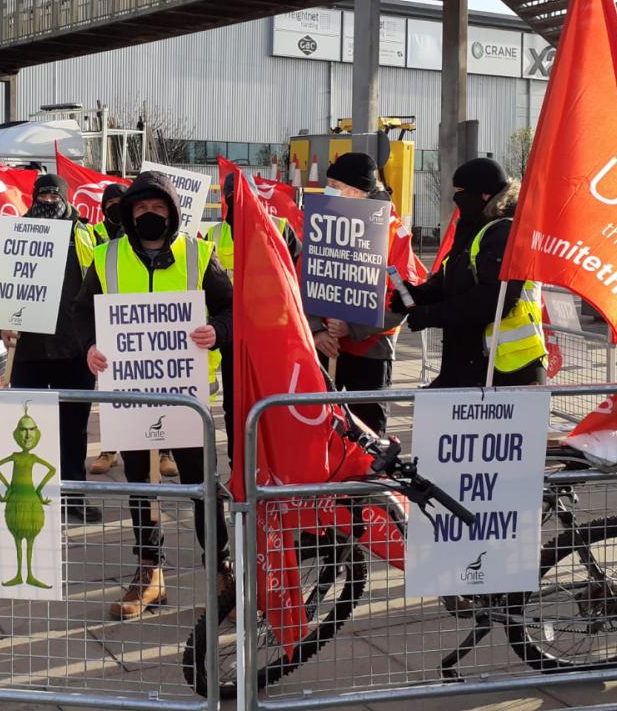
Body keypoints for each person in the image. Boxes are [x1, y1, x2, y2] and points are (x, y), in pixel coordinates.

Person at [74, 170, 233, 619]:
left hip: (186, 394)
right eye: (141, 208)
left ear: (172, 213)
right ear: (128, 213)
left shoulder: (198, 254)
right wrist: (90, 347)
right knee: (141, 487)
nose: (149, 215)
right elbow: (81, 313)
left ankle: (221, 570)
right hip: (131, 392)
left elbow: (231, 306)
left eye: (157, 208)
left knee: (201, 482)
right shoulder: (106, 257)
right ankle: (149, 574)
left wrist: (216, 330)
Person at [3, 174, 102, 524]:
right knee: (28, 429)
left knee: (74, 429)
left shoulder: (88, 234)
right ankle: (31, 493)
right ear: (33, 198)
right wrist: (2, 322)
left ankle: (74, 493)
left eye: (53, 194)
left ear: (66, 197)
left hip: (75, 351)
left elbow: (105, 281)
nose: (47, 200)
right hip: (28, 350)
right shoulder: (15, 233)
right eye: (41, 194)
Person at [397, 157, 546, 388]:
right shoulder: (473, 228)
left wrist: (432, 314)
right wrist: (417, 295)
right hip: (469, 363)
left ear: (484, 194)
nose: (456, 199)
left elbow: (492, 300)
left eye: (460, 192)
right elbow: (450, 280)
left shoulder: (506, 232)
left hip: (508, 369)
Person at [318, 153, 417, 435]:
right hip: (326, 347)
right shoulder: (323, 223)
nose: (329, 191)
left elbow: (404, 301)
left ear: (355, 191)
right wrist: (316, 330)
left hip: (371, 352)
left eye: (334, 184)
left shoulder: (394, 234)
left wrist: (353, 326)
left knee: (369, 432)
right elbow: (305, 280)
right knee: (323, 431)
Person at [203, 170, 300, 456]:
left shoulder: (281, 229)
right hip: (233, 339)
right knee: (235, 409)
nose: (238, 205)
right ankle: (239, 468)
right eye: (232, 199)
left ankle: (272, 467)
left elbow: (296, 285)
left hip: (272, 338)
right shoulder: (214, 234)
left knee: (272, 407)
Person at [89, 183, 128, 477]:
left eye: (120, 201)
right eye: (110, 202)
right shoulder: (93, 234)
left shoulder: (137, 232)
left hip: (134, 321)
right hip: (103, 321)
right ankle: (109, 449)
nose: (115, 206)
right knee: (110, 390)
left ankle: (162, 451)